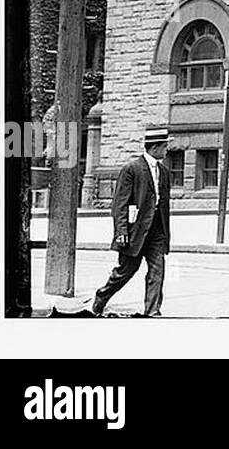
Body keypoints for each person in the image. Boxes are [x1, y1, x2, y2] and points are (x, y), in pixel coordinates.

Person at [89, 126, 171, 317]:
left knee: (157, 272)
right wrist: (121, 232)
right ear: (155, 148)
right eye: (165, 147)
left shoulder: (164, 171)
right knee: (125, 272)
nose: (167, 151)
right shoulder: (131, 169)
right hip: (135, 232)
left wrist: (165, 234)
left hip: (157, 231)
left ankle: (152, 311)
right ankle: (102, 296)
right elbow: (120, 204)